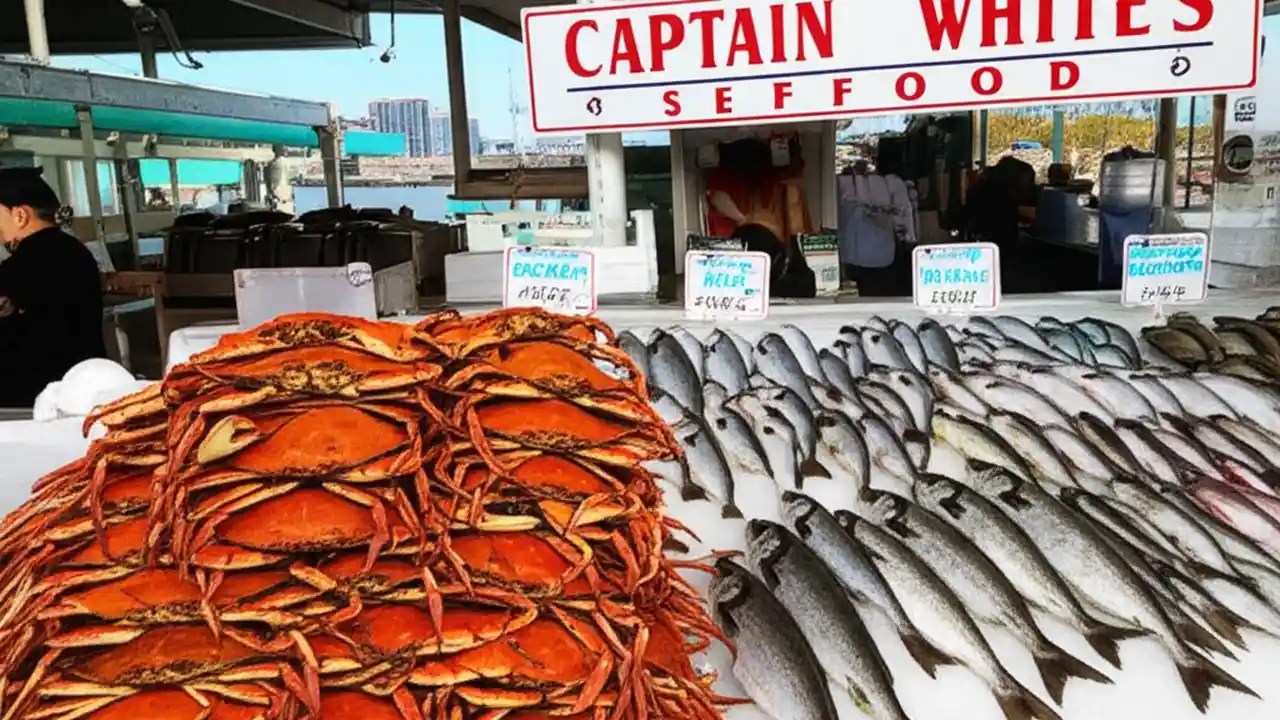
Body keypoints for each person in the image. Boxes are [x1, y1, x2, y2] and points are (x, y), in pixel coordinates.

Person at [0, 169, 107, 407]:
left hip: (30, 397)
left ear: (20, 215)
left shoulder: (20, 266)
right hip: (85, 385)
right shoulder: (77, 251)